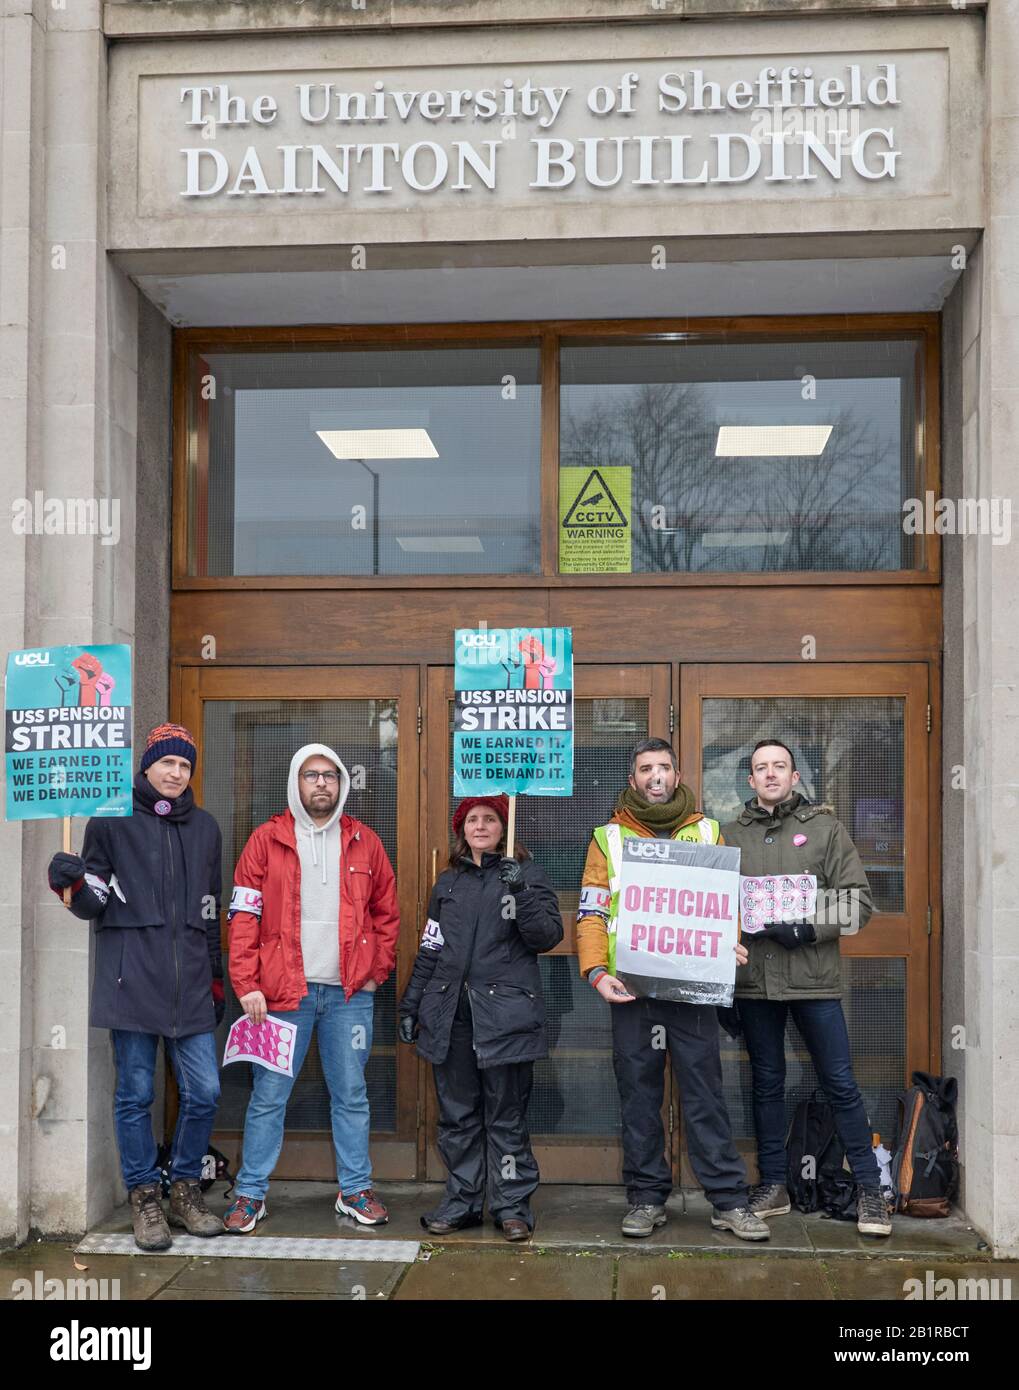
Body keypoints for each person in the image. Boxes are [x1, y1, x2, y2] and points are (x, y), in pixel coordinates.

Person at [576, 738, 769, 1242]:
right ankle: (645, 1198)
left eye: (663, 767)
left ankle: (728, 1200)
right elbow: (592, 913)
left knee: (706, 1092)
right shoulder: (608, 837)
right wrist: (596, 971)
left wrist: (731, 943)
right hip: (631, 988)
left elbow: (726, 906)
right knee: (639, 1096)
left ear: (677, 775)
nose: (655, 776)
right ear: (633, 778)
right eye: (645, 769)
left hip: (691, 987)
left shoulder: (708, 830)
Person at [46, 723, 225, 1251]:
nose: (176, 773)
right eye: (167, 762)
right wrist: (70, 882)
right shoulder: (109, 819)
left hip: (190, 981)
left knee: (205, 1092)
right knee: (135, 1095)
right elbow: (92, 902)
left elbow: (211, 911)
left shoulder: (206, 828)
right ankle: (145, 1196)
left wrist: (216, 979)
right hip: (130, 979)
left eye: (185, 765)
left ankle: (185, 1189)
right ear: (147, 765)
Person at [223, 744, 399, 1232]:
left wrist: (374, 972)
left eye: (330, 776)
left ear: (342, 783)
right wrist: (247, 983)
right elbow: (243, 918)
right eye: (311, 775)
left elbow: (387, 912)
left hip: (347, 997)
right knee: (268, 1096)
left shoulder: (366, 842)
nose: (321, 784)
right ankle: (249, 1194)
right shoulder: (265, 841)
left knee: (351, 1095)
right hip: (281, 997)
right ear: (295, 784)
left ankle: (355, 1190)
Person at [721, 739, 892, 1238]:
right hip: (755, 984)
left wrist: (806, 926)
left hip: (814, 981)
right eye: (760, 768)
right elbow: (712, 909)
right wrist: (720, 981)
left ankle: (870, 1191)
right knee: (767, 1083)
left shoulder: (825, 830)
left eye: (780, 766)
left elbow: (858, 902)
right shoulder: (728, 836)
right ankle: (773, 1184)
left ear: (796, 777)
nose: (770, 774)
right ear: (749, 781)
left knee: (839, 1082)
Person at [398, 795, 563, 1241]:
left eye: (490, 818)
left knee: (506, 1115)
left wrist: (521, 892)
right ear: (462, 830)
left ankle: (511, 1205)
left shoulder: (527, 874)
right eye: (472, 819)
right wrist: (412, 1004)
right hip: (451, 1017)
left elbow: (547, 935)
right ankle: (463, 1201)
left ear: (504, 828)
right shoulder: (448, 883)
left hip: (505, 1018)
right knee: (457, 1117)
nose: (480, 826)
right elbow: (431, 948)